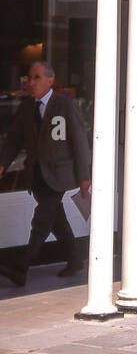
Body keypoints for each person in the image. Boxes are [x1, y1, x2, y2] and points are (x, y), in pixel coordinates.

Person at [0, 62, 91, 286]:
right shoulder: (26, 107)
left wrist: (84, 176)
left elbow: (79, 141)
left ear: (50, 81)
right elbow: (14, 140)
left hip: (59, 174)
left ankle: (20, 266)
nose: (31, 83)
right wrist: (2, 164)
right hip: (37, 174)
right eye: (30, 78)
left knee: (42, 220)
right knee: (56, 219)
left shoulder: (64, 105)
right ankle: (75, 258)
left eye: (37, 78)